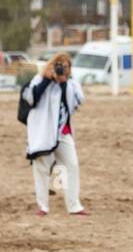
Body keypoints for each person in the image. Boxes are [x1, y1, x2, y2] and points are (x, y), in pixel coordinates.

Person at [22, 52, 87, 217]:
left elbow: (75, 102)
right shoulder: (39, 80)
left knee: (72, 165)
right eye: (59, 65)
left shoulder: (71, 83)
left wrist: (63, 82)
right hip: (43, 133)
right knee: (41, 168)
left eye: (65, 66)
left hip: (62, 132)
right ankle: (43, 206)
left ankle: (74, 206)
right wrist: (47, 79)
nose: (61, 69)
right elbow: (31, 99)